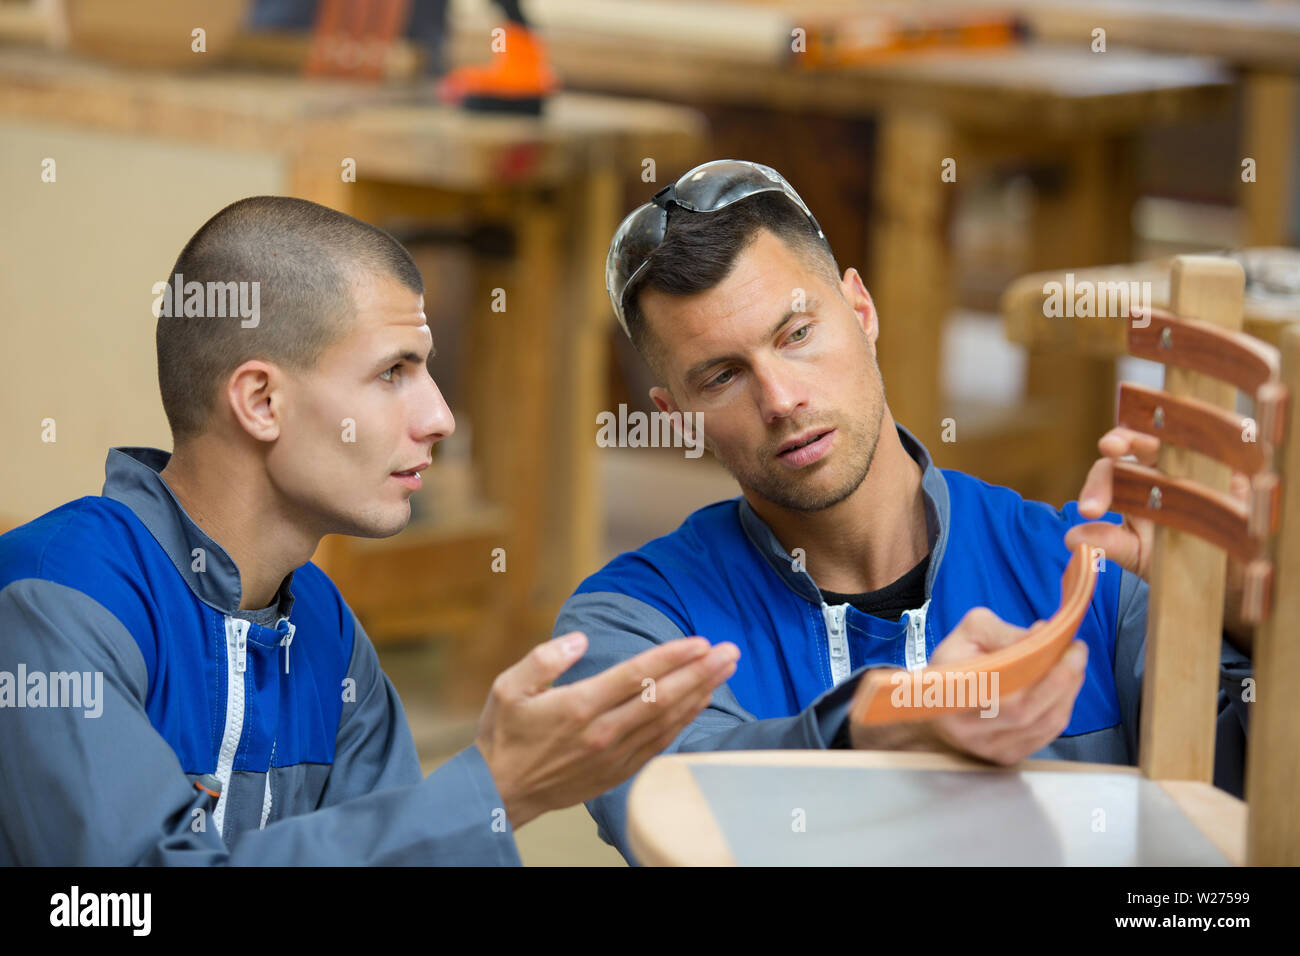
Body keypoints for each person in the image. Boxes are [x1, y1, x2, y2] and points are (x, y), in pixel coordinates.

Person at [0, 195, 742, 865]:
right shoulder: (54, 598)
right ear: (261, 400)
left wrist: (489, 801)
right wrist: (493, 789)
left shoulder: (325, 634)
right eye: (394, 372)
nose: (440, 418)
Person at [553, 159, 1254, 863]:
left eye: (796, 334)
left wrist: (1249, 618)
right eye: (723, 376)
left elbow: (1247, 819)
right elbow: (674, 806)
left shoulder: (1098, 575)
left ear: (862, 312)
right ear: (677, 418)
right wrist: (883, 728)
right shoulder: (626, 624)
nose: (781, 399)